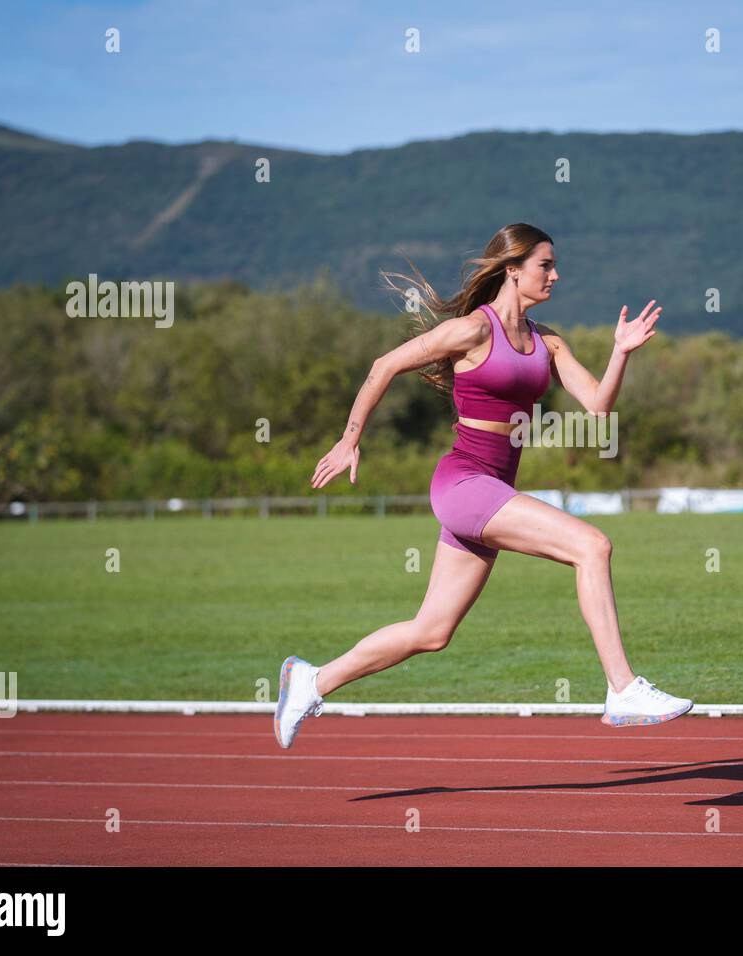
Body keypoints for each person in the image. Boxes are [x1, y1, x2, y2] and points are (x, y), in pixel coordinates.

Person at [275, 223, 692, 748]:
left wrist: (621, 351)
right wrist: (349, 439)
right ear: (512, 270)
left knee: (432, 631)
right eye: (546, 265)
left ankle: (312, 681)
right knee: (592, 545)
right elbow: (385, 365)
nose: (556, 275)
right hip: (464, 484)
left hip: (490, 489)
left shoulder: (548, 341)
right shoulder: (473, 330)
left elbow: (599, 407)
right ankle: (622, 688)